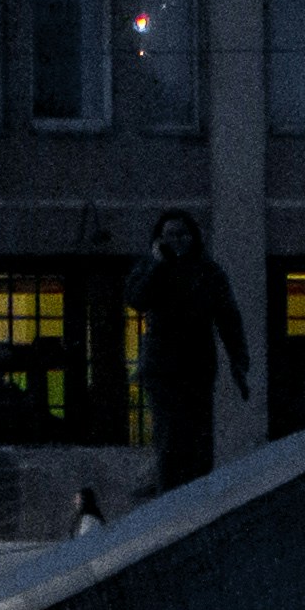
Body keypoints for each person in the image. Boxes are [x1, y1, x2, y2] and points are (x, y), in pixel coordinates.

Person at [127, 210, 251, 498]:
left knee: (199, 442)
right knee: (170, 441)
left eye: (183, 234)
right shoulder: (151, 268)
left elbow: (228, 318)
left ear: (194, 237)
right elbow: (136, 299)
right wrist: (157, 264)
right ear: (160, 239)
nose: (178, 240)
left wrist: (238, 362)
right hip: (162, 370)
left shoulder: (208, 272)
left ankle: (198, 498)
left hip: (197, 367)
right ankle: (170, 499)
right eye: (171, 235)